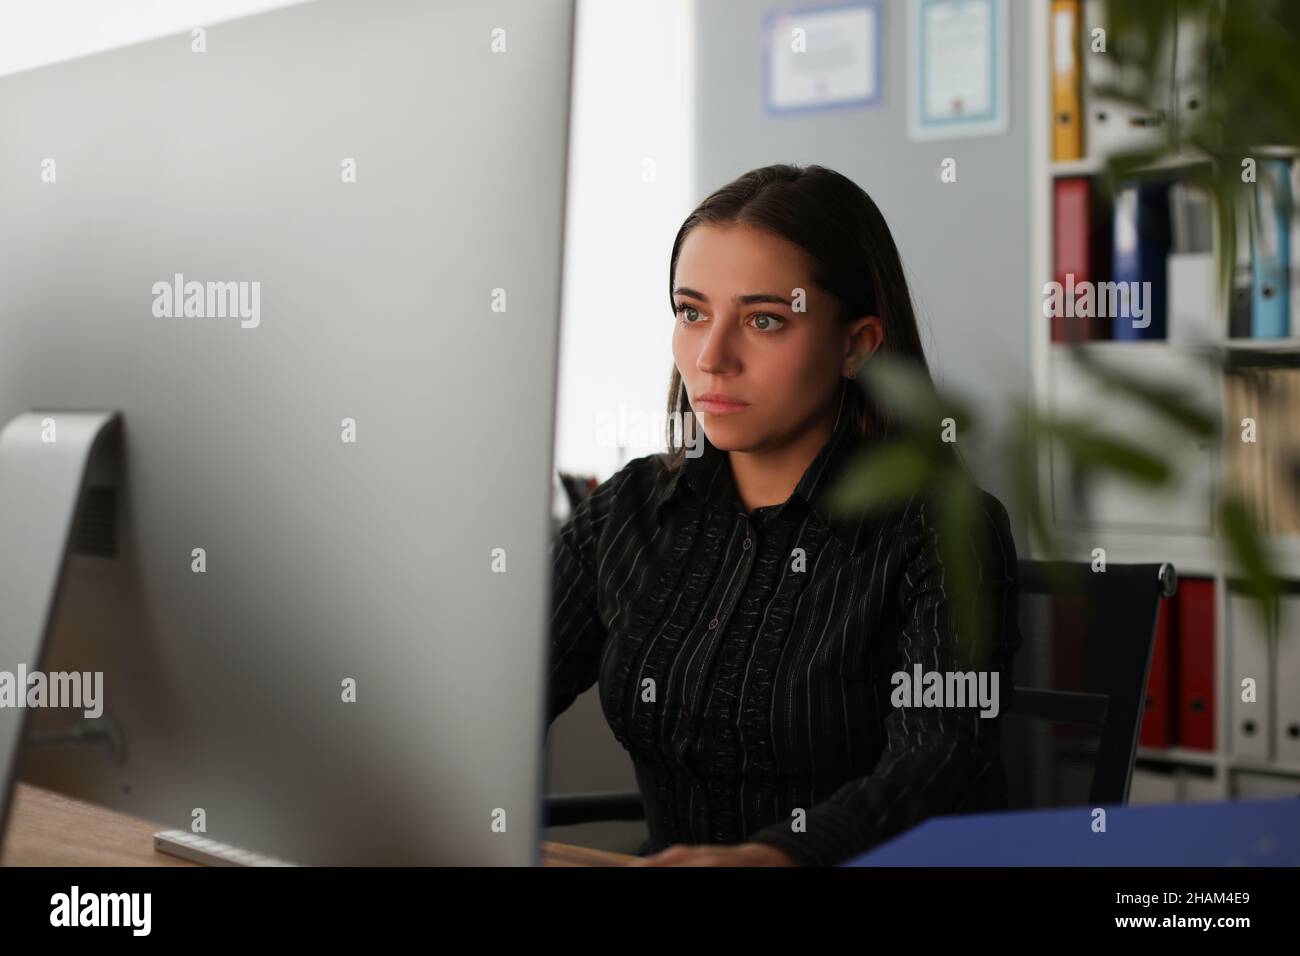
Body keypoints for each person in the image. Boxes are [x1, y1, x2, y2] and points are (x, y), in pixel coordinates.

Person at [547, 163, 1022, 867]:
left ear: (857, 344)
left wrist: (774, 857)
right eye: (691, 312)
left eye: (765, 320)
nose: (710, 358)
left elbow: (941, 760)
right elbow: (496, 708)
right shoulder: (625, 513)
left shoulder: (940, 530)